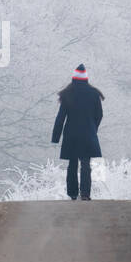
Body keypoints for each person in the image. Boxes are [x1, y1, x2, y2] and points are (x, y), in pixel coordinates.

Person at [51, 64, 104, 201]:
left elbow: (60, 118)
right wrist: (94, 128)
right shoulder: (94, 94)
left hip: (71, 135)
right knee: (86, 164)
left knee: (72, 164)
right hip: (88, 134)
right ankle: (85, 194)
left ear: (74, 79)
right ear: (86, 79)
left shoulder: (67, 94)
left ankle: (73, 193)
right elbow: (99, 115)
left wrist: (56, 137)